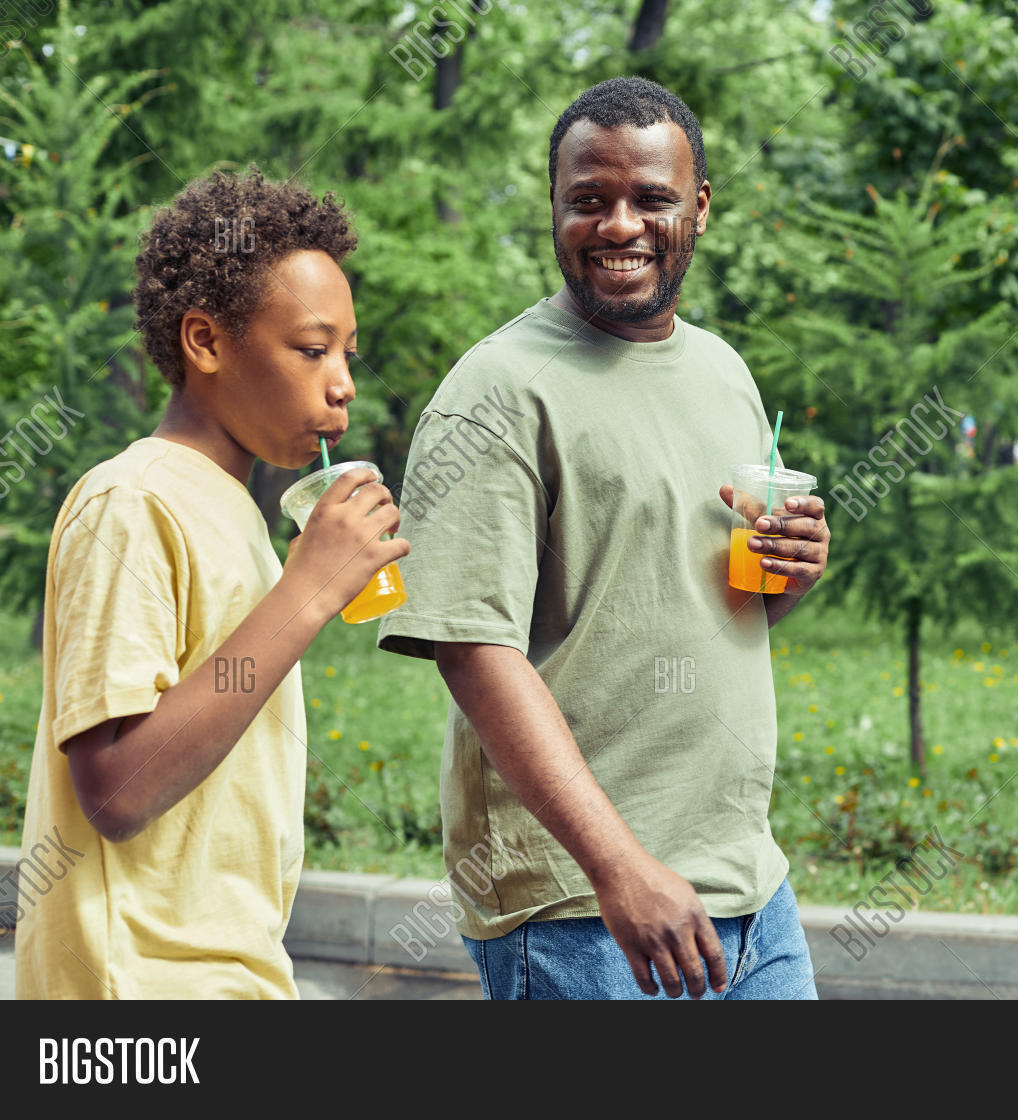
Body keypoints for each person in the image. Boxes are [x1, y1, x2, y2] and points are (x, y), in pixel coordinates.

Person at [378, 76, 831, 1000]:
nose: (619, 225)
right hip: (582, 909)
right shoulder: (496, 390)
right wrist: (618, 866)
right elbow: (472, 649)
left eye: (651, 198)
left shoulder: (723, 371)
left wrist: (791, 573)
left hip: (747, 886)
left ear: (698, 209)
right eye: (589, 200)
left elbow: (709, 611)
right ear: (555, 204)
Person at [15, 167, 408, 998]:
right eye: (311, 349)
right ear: (206, 341)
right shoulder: (132, 502)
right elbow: (117, 789)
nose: (341, 382)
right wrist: (309, 592)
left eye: (346, 353)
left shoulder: (235, 515)